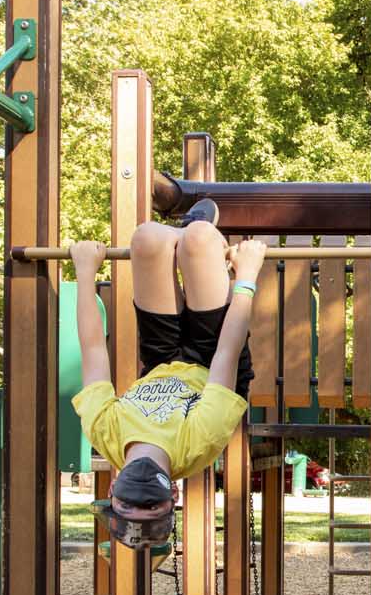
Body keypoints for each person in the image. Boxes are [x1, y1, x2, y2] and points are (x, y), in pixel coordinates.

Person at [70, 199, 258, 550]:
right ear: (172, 492)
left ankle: (181, 231)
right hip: (212, 358)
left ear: (113, 491)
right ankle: (192, 232)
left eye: (128, 505)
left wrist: (85, 273)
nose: (139, 499)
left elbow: (94, 349)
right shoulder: (197, 443)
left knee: (146, 239)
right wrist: (246, 277)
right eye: (151, 505)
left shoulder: (104, 432)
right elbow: (227, 352)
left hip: (159, 362)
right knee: (201, 240)